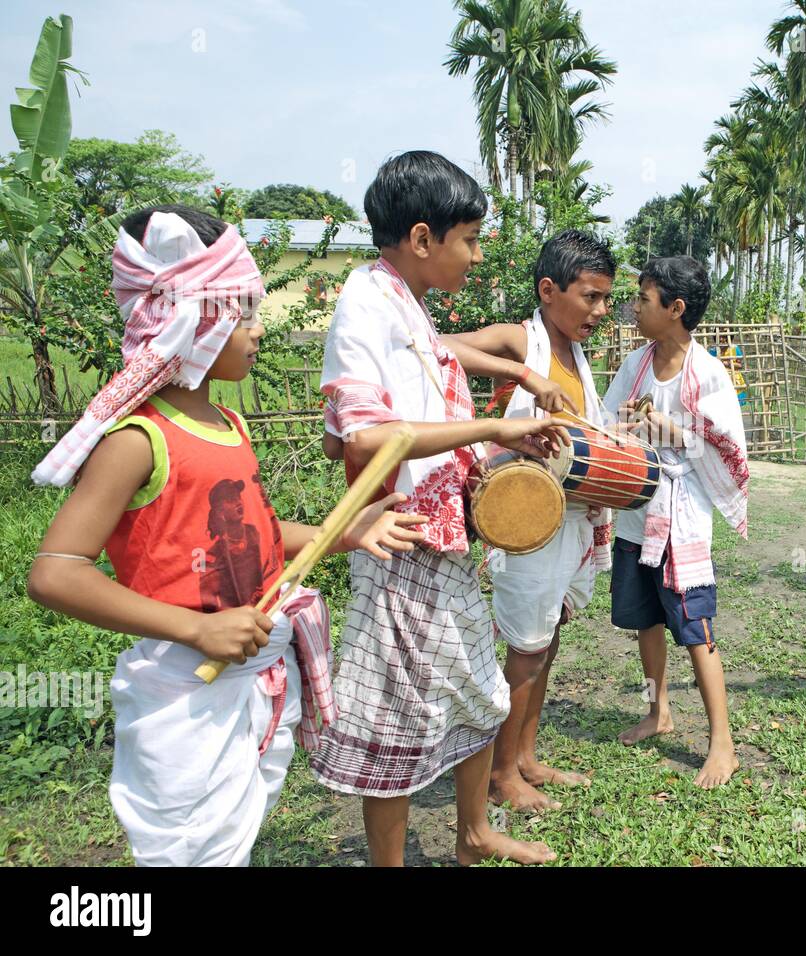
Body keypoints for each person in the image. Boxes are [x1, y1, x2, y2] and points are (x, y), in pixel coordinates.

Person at [26, 204, 422, 866]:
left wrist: (341, 531)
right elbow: (55, 571)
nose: (258, 330)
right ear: (196, 319)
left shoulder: (227, 425)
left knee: (232, 834)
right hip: (185, 682)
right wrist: (195, 629)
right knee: (189, 849)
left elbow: (258, 534)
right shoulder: (137, 439)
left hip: (258, 667)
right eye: (243, 313)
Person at [309, 151, 570, 866]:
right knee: (396, 715)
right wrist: (492, 428)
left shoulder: (401, 301)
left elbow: (437, 358)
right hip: (400, 544)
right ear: (423, 239)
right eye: (471, 240)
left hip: (440, 540)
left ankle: (474, 836)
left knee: (478, 692)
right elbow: (361, 437)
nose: (478, 258)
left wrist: (517, 375)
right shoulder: (364, 303)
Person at [440, 229, 616, 812]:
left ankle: (526, 756)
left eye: (606, 298)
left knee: (549, 639)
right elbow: (438, 345)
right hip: (525, 523)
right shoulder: (524, 341)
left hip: (568, 521)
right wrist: (523, 376)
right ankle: (500, 772)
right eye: (589, 296)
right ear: (548, 290)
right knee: (525, 650)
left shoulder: (578, 354)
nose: (601, 310)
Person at [603, 256, 749, 788]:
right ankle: (658, 709)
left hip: (681, 513)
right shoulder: (635, 363)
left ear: (675, 308)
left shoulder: (708, 372)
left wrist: (665, 428)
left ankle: (722, 742)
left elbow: (726, 445)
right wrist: (633, 428)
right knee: (645, 618)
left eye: (644, 298)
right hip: (638, 507)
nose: (635, 307)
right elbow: (608, 418)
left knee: (695, 628)